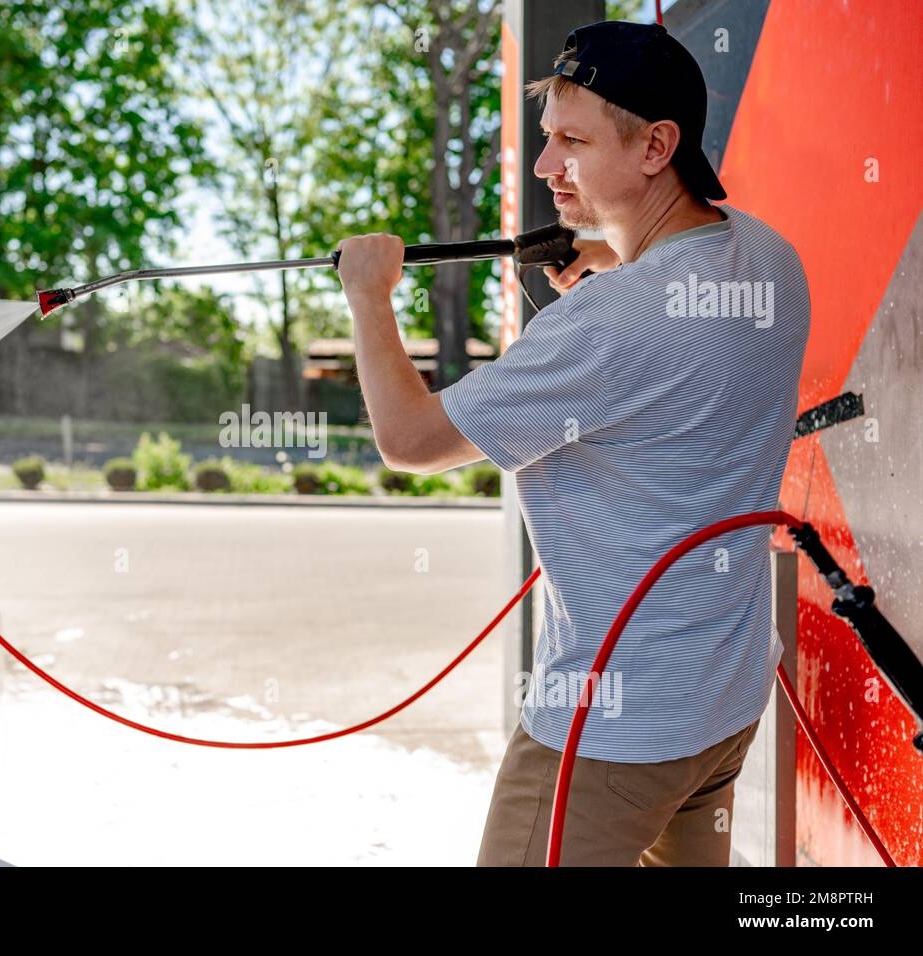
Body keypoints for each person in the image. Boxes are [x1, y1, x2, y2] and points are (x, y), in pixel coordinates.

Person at [334, 20, 811, 865]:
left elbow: (411, 439)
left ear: (657, 145)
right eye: (547, 137)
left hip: (608, 731)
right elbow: (681, 299)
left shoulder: (610, 320)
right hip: (722, 706)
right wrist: (622, 248)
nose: (545, 166)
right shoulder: (772, 259)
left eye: (571, 141)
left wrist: (372, 299)